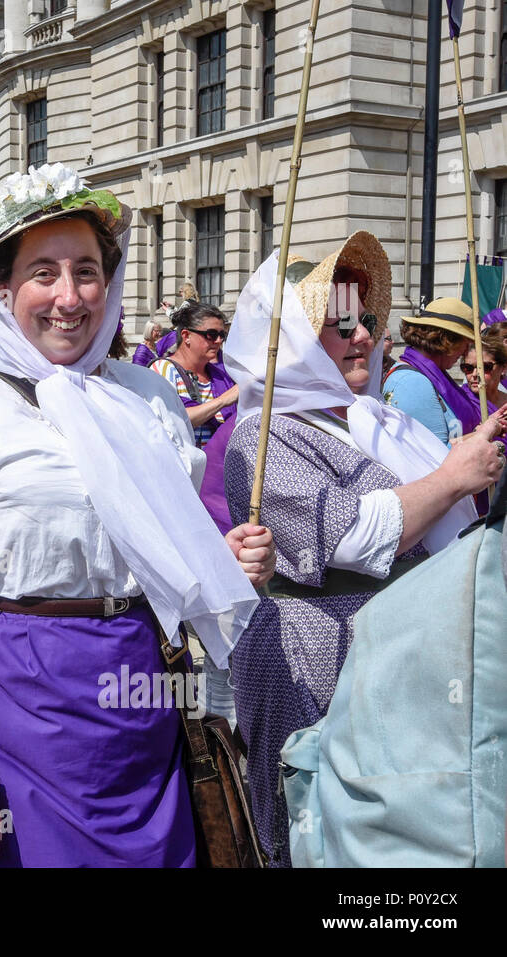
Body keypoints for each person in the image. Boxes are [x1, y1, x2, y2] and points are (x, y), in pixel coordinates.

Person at [0, 162, 273, 868]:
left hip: (140, 702)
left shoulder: (147, 399)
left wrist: (226, 556)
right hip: (13, 704)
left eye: (86, 271)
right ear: (1, 290)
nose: (69, 296)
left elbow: (165, 548)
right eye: (43, 272)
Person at [222, 233, 503, 867]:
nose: (363, 337)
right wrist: (455, 475)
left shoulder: (378, 418)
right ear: (291, 337)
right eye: (338, 323)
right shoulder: (263, 435)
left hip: (401, 657)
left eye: (366, 320)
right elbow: (356, 534)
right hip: (315, 658)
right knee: (316, 824)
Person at [383, 297, 479, 445]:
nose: (466, 352)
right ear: (446, 340)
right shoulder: (411, 383)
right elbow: (435, 455)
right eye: (465, 344)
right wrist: (482, 435)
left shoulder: (432, 374)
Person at [150, 302, 238, 448]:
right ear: (186, 336)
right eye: (211, 334)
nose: (219, 341)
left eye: (222, 335)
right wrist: (224, 400)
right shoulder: (164, 369)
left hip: (216, 466)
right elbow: (175, 419)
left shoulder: (220, 375)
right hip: (182, 467)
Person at [460, 321, 507, 411]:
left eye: (485, 367)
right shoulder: (458, 401)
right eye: (468, 368)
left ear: (503, 368)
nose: (474, 374)